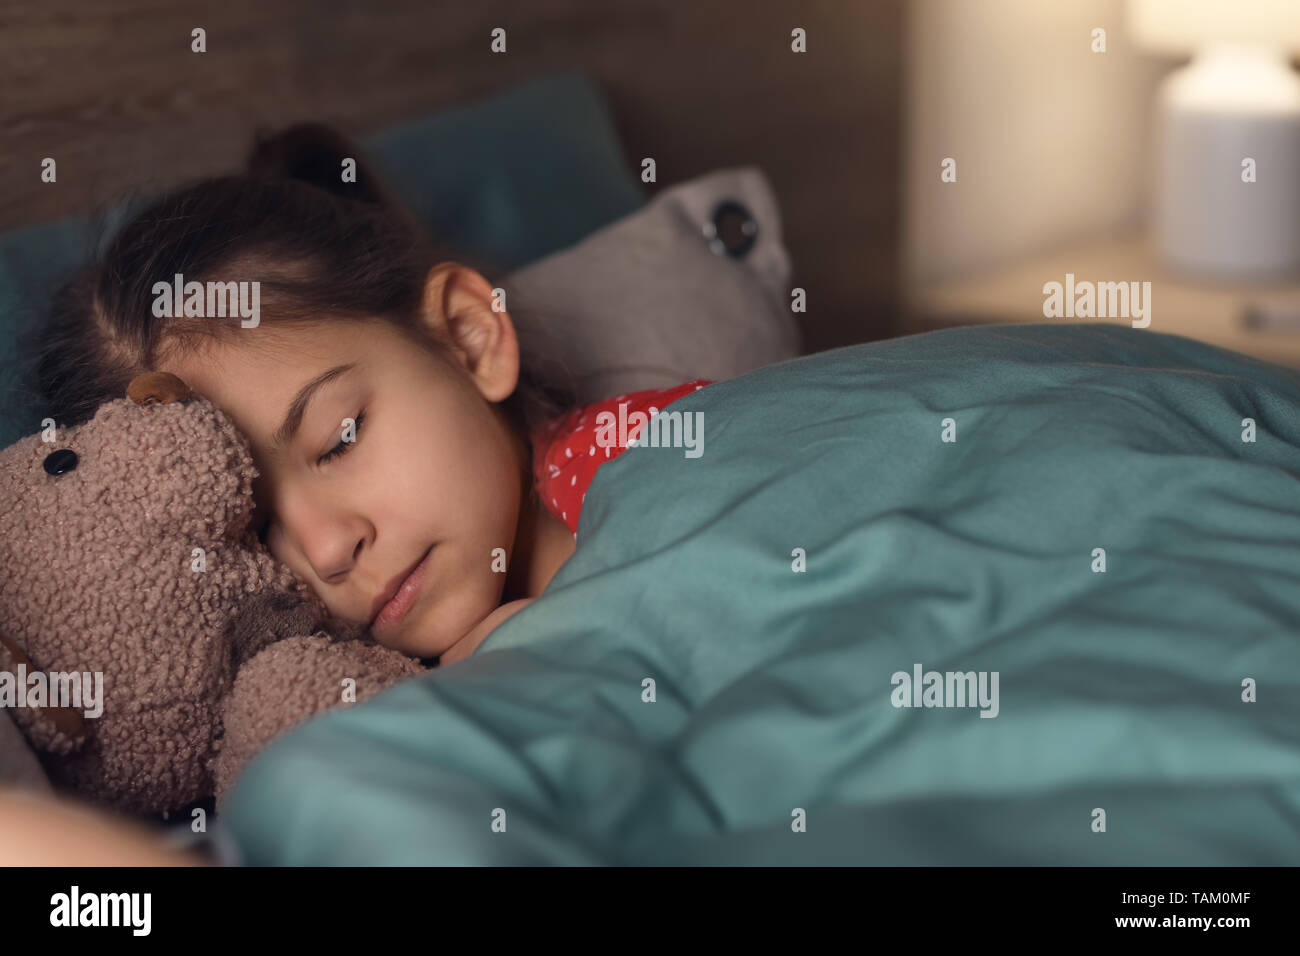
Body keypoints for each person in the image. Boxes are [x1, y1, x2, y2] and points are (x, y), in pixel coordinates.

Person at [33, 124, 708, 666]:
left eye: (340, 439)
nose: (326, 551)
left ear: (467, 338)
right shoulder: (330, 703)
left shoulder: (660, 462)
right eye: (258, 532)